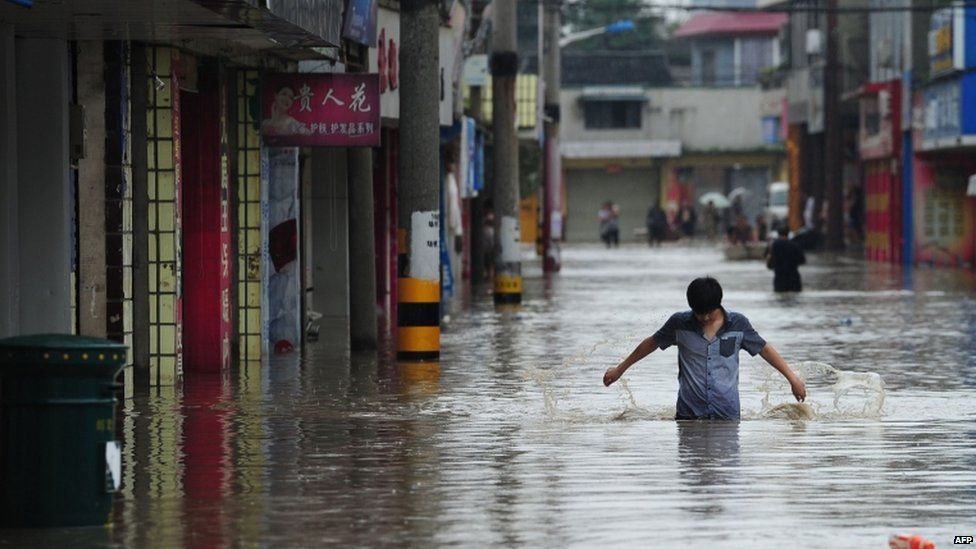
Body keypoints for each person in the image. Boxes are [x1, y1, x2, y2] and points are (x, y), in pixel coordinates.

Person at [603, 277, 806, 420]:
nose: (705, 318)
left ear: (718, 304)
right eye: (699, 313)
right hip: (688, 414)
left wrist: (793, 379)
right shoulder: (679, 324)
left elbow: (765, 350)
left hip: (727, 414)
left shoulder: (738, 324)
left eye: (709, 312)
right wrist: (619, 369)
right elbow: (651, 344)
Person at [766, 225, 806, 292]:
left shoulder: (773, 246)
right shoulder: (795, 245)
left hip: (780, 279)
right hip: (794, 279)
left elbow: (769, 263)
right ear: (788, 234)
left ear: (778, 234)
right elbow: (802, 260)